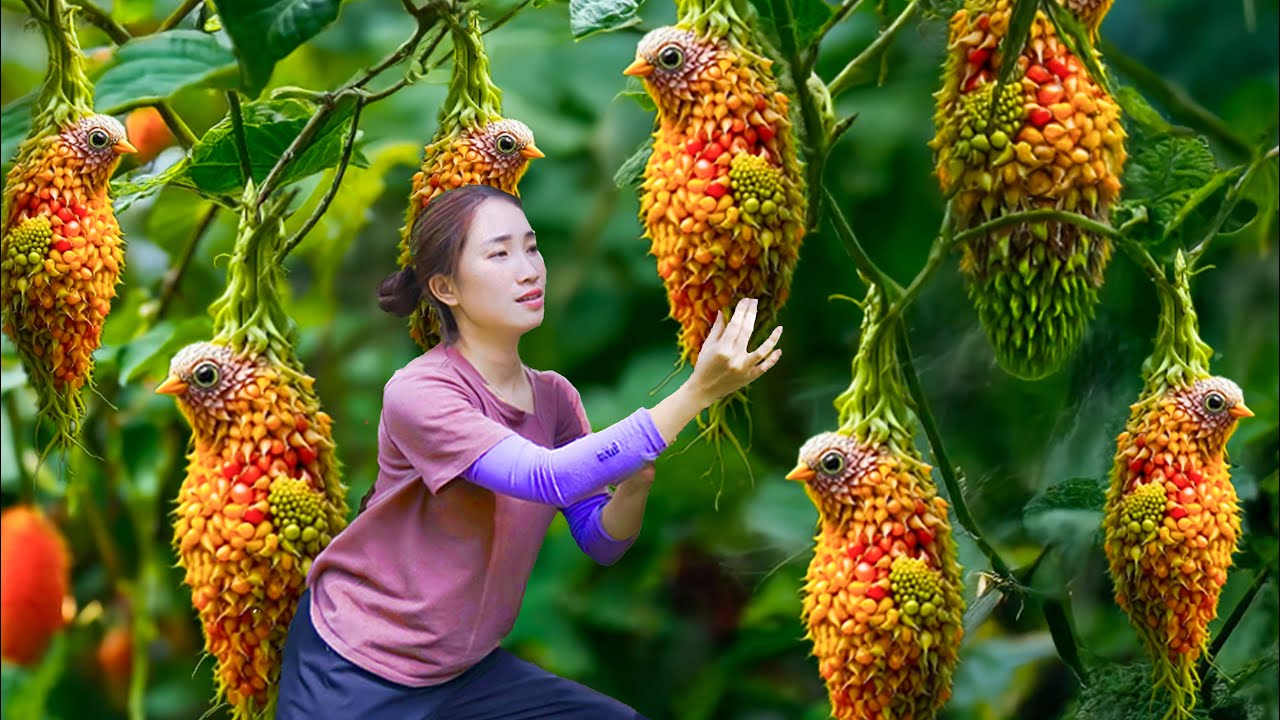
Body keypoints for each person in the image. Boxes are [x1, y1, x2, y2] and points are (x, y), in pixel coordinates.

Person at [275, 184, 783, 719]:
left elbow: (599, 539)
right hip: (357, 670)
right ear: (446, 287)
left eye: (532, 247)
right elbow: (548, 478)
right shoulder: (419, 393)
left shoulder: (554, 398)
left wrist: (632, 491)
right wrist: (697, 392)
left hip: (463, 674)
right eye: (499, 254)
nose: (528, 269)